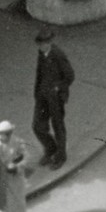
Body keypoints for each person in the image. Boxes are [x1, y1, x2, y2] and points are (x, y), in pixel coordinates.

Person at [32, 25, 75, 168]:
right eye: (39, 44)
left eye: (44, 44)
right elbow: (39, 73)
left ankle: (61, 156)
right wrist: (37, 92)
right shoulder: (41, 54)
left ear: (49, 43)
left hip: (55, 98)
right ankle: (51, 148)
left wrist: (58, 87)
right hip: (42, 95)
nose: (41, 47)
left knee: (58, 126)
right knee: (37, 126)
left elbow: (70, 76)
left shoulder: (58, 55)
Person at [0, 120, 30, 212]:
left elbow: (26, 158)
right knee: (0, 203)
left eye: (7, 133)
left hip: (14, 179)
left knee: (16, 202)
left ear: (10, 133)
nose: (4, 136)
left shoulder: (18, 142)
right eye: (1, 133)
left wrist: (16, 167)